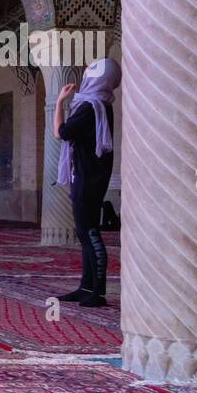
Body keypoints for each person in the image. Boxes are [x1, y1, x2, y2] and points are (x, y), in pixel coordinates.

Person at [53, 57, 121, 308]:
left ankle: (98, 291)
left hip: (87, 177)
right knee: (85, 231)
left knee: (89, 231)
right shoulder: (100, 105)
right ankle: (87, 287)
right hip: (91, 175)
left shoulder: (90, 107)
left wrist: (59, 101)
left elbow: (60, 133)